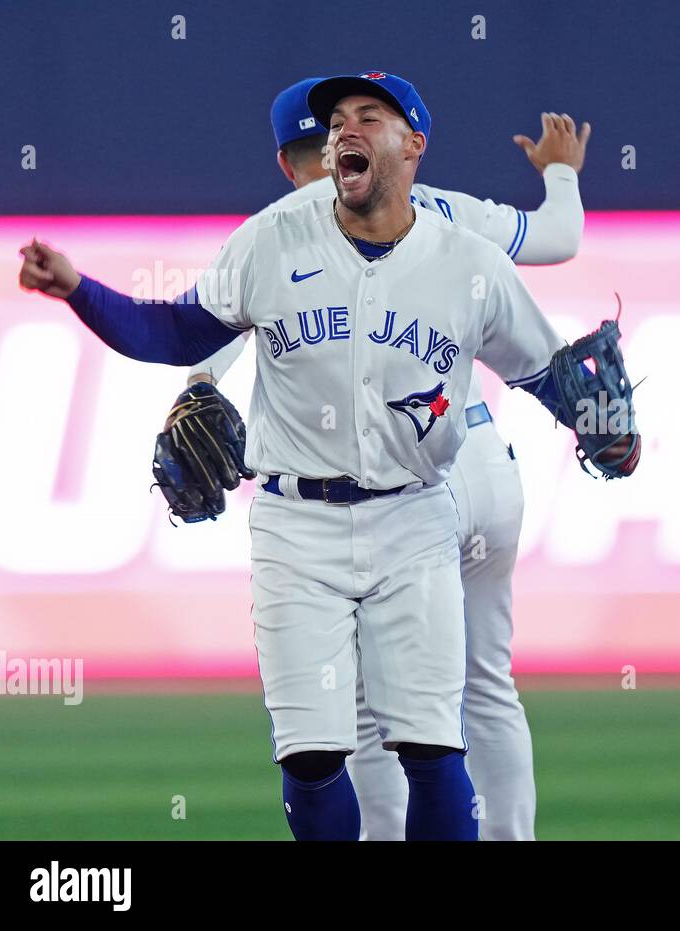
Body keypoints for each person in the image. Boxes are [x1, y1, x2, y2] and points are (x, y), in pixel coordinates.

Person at [19, 70, 635, 841]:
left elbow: (547, 370)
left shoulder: (464, 253)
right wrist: (79, 288)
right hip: (297, 521)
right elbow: (179, 331)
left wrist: (606, 423)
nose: (344, 130)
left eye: (365, 117)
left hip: (419, 506)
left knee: (431, 739)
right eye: (334, 121)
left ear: (413, 144)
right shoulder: (273, 239)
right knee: (320, 751)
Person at [184, 76, 592, 842]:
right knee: (481, 688)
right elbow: (559, 238)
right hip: (478, 463)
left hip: (397, 484)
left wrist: (198, 385)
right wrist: (561, 173)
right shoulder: (443, 209)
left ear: (284, 163)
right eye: (332, 133)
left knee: (368, 702)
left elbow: (216, 336)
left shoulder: (288, 231)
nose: (342, 144)